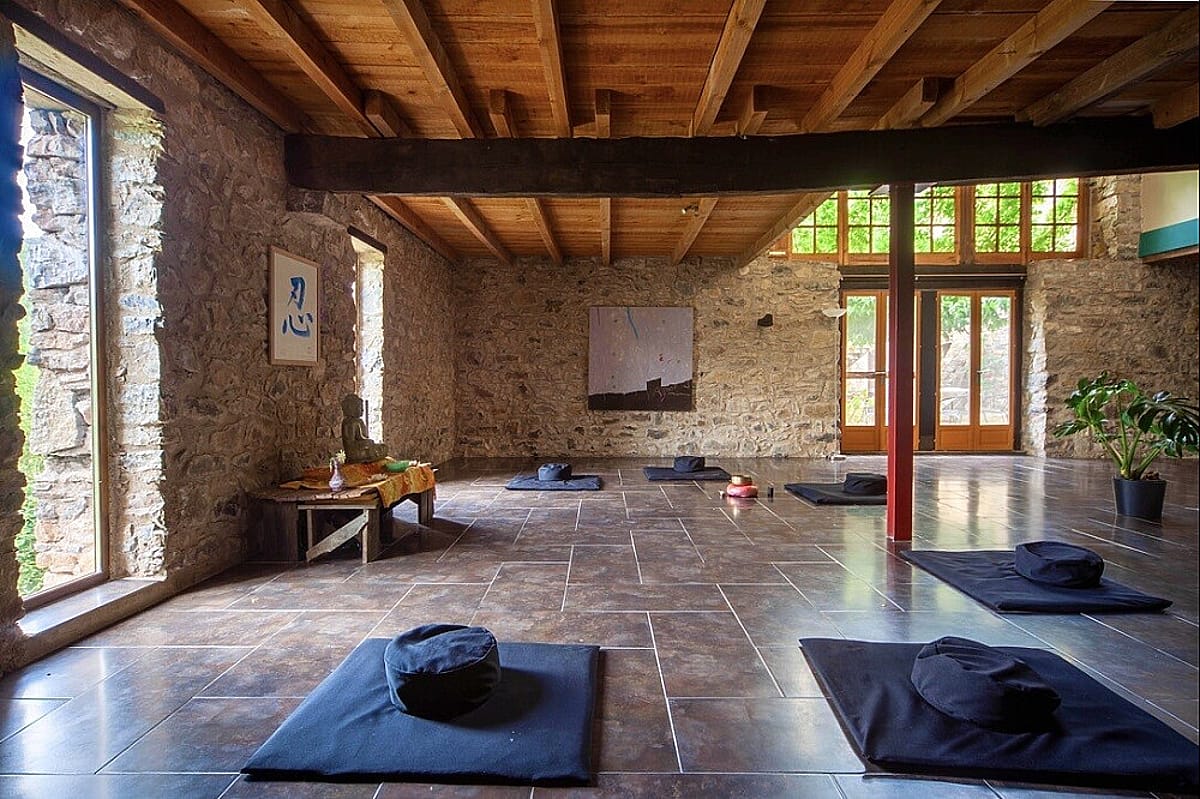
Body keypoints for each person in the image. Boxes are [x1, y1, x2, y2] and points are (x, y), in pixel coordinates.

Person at [340, 393, 388, 463]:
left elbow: (362, 437)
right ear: (351, 408)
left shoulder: (359, 421)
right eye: (360, 407)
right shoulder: (349, 423)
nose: (362, 410)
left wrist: (368, 442)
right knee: (373, 450)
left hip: (362, 448)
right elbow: (350, 444)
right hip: (353, 453)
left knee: (383, 447)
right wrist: (367, 442)